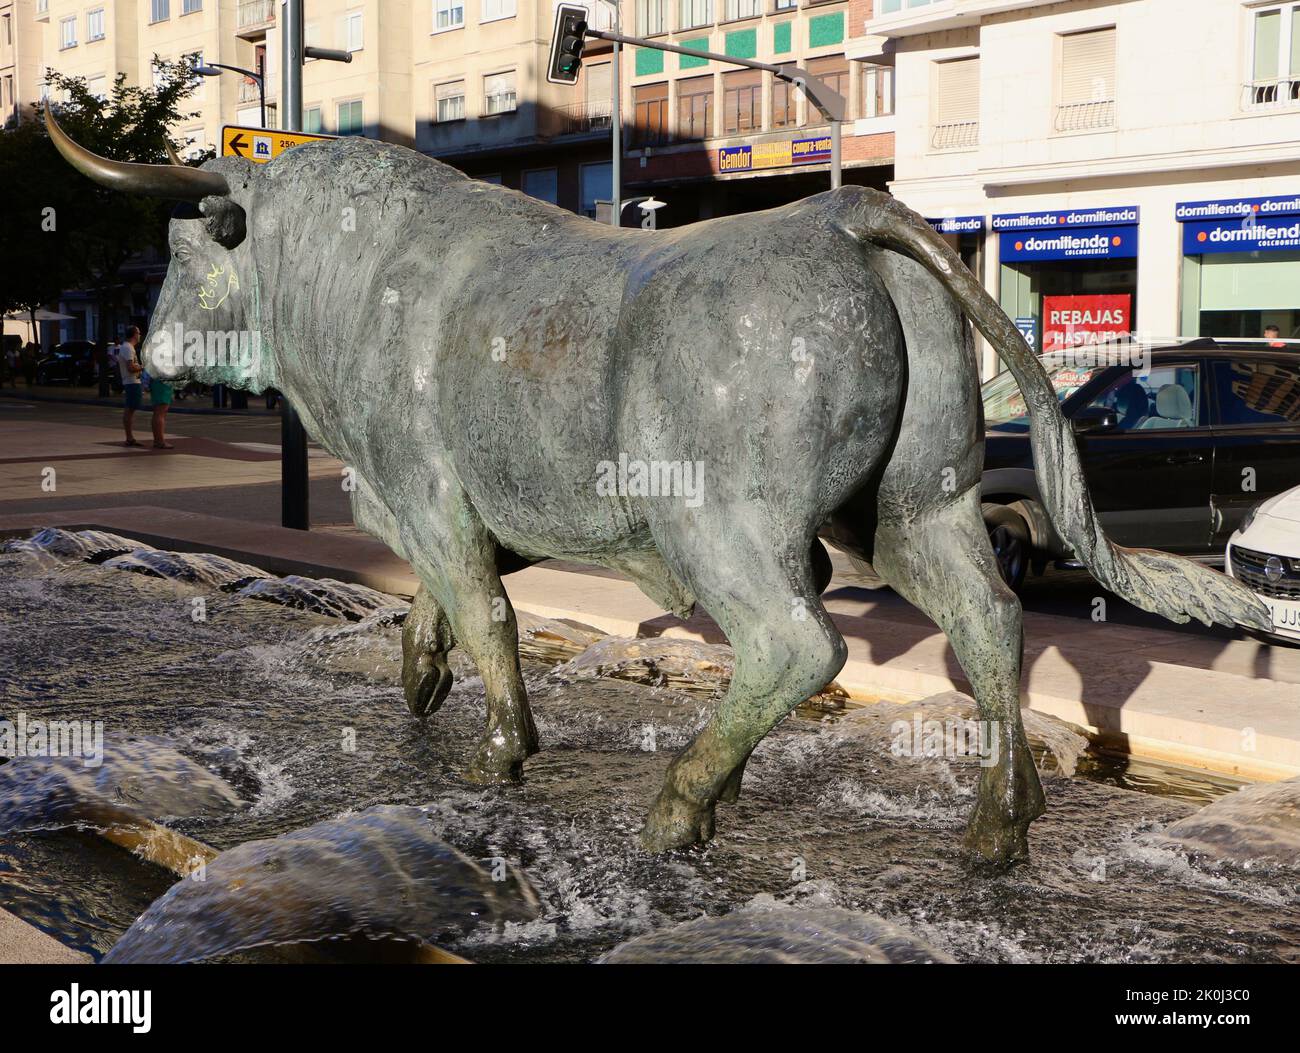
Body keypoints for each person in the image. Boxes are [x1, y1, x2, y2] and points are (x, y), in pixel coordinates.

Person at [117, 325, 144, 446]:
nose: (139, 336)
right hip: (132, 382)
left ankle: (129, 437)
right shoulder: (128, 348)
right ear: (134, 335)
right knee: (130, 410)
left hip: (132, 382)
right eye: (138, 333)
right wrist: (143, 367)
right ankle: (129, 437)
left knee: (130, 409)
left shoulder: (127, 347)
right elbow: (130, 367)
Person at [149, 370, 175, 449]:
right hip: (162, 382)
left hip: (159, 381)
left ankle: (157, 440)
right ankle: (160, 441)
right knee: (160, 412)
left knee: (158, 412)